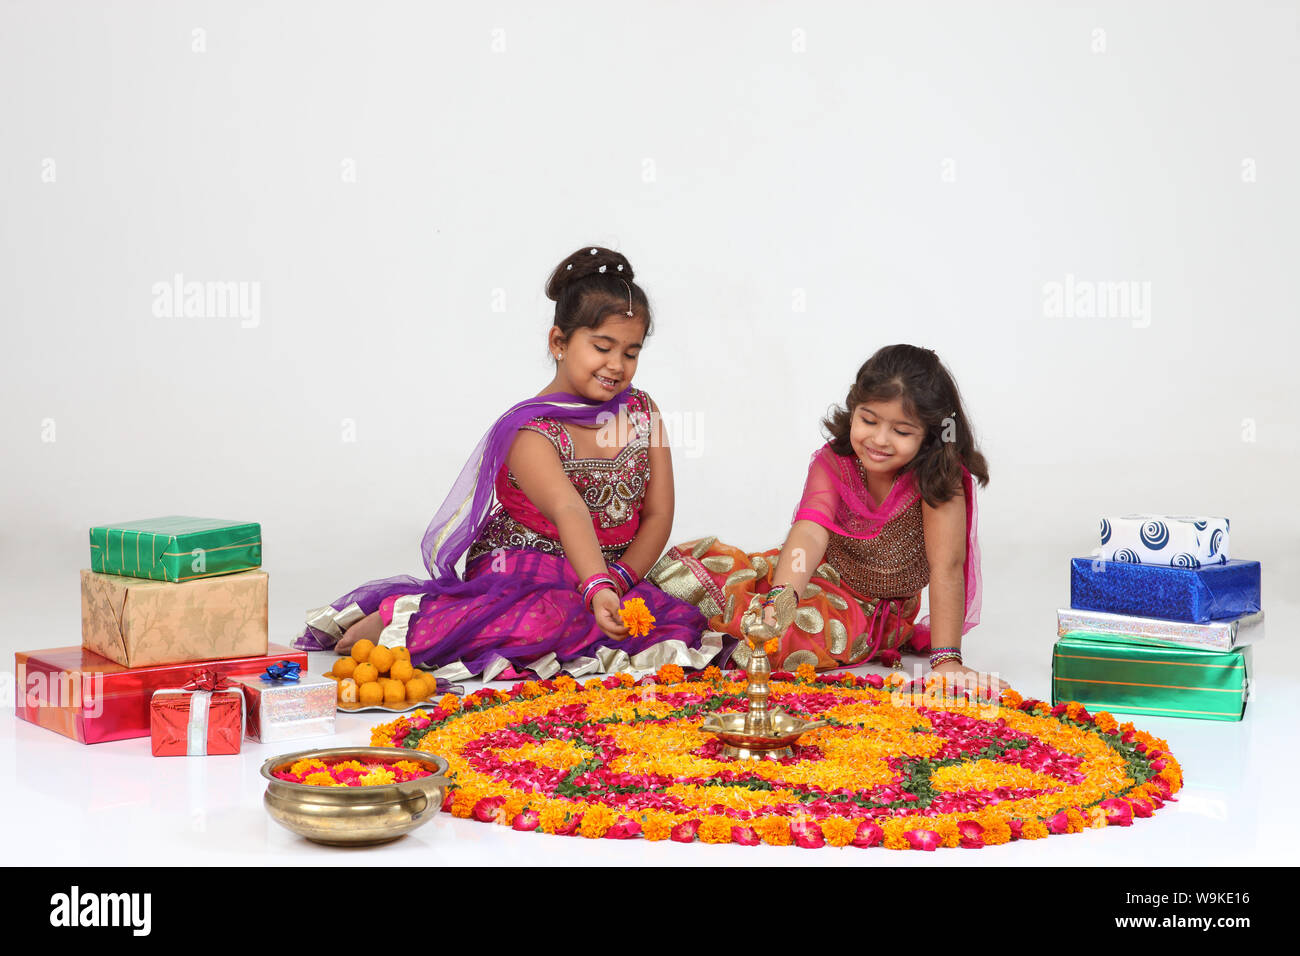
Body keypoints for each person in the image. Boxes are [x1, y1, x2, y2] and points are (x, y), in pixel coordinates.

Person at [295, 246, 723, 681]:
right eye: (602, 347)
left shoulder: (642, 412)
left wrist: (619, 580)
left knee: (673, 622)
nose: (616, 365)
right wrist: (597, 587)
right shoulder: (530, 429)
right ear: (559, 342)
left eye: (630, 353)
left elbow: (659, 513)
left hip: (614, 570)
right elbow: (569, 509)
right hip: (527, 567)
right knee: (550, 621)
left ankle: (589, 601)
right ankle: (405, 618)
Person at [648, 344, 1006, 692]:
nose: (880, 439)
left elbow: (947, 567)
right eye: (868, 420)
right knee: (692, 568)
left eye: (901, 431)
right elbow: (810, 532)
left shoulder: (937, 478)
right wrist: (781, 598)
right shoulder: (834, 460)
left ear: (930, 434)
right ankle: (687, 628)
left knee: (793, 637)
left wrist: (946, 662)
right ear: (854, 409)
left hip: (867, 612)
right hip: (814, 576)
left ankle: (718, 637)